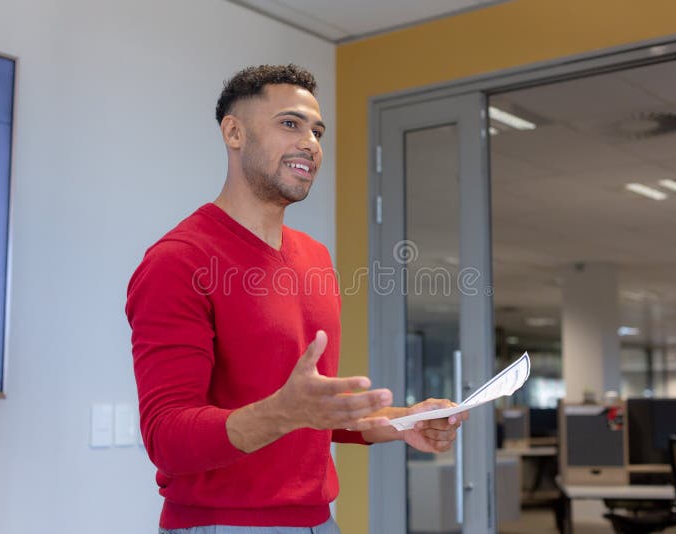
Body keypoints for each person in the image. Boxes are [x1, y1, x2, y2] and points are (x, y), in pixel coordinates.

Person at [126, 64, 467, 534]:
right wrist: (283, 411)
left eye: (317, 131)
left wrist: (401, 421)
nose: (310, 142)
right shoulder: (178, 260)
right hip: (224, 524)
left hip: (319, 521)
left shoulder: (315, 257)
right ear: (234, 132)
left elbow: (313, 412)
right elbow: (167, 437)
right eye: (290, 124)